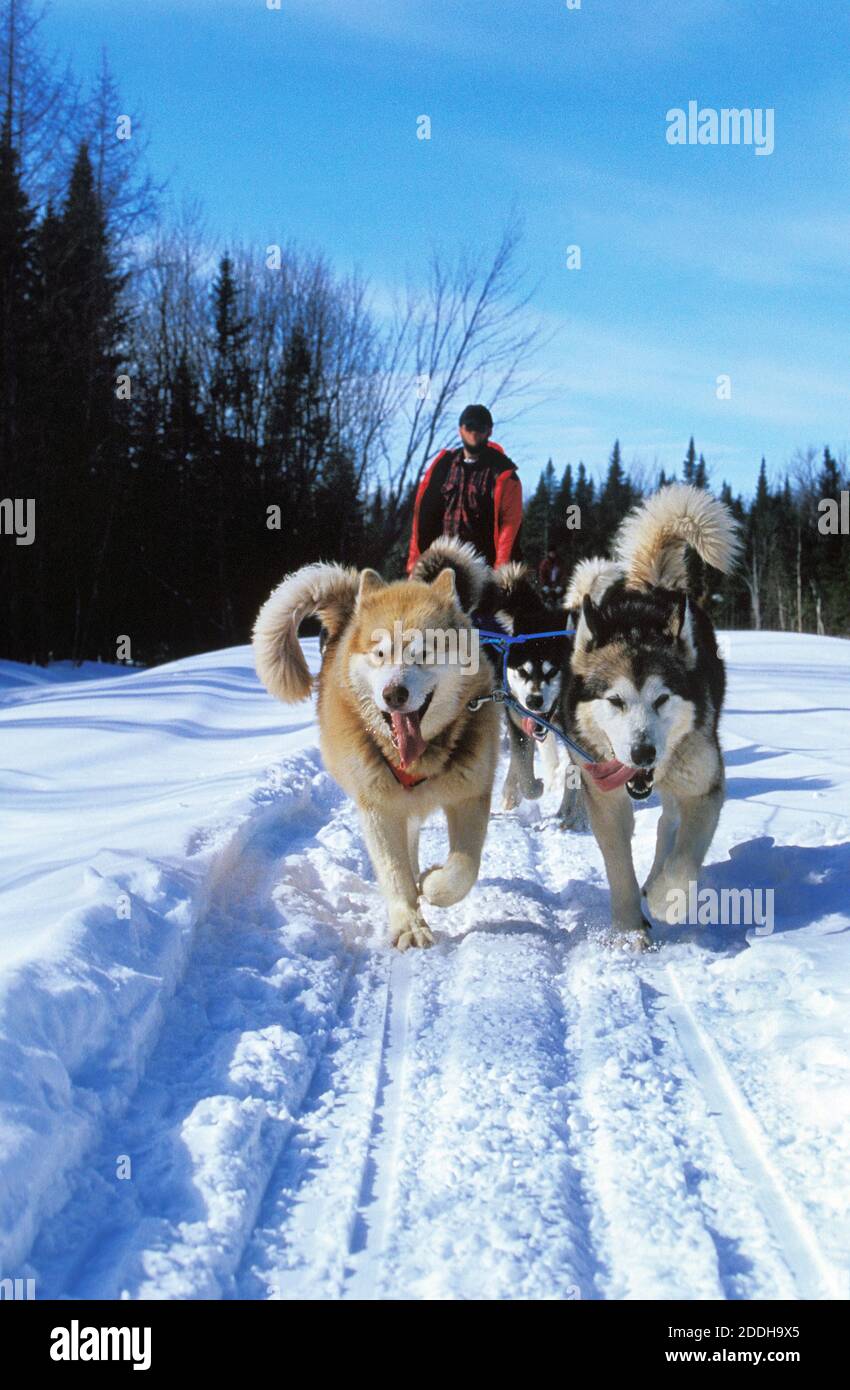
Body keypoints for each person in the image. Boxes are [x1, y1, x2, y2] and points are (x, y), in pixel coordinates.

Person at [406, 405, 523, 573]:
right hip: (441, 562)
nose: (474, 433)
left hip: (482, 568)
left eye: (481, 428)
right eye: (469, 427)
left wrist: (501, 572)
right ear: (460, 430)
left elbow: (509, 526)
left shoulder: (503, 474)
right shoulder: (442, 467)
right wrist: (415, 563)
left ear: (489, 431)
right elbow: (423, 516)